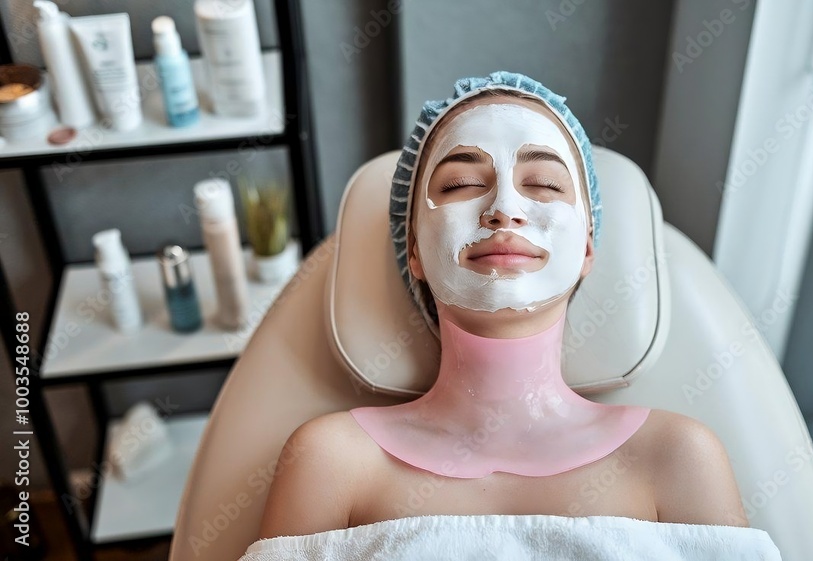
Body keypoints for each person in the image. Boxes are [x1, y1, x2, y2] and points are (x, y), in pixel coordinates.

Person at [256, 71, 750, 541]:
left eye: (545, 185)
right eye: (461, 185)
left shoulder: (677, 458)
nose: (503, 208)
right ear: (414, 252)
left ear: (586, 249)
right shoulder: (332, 461)